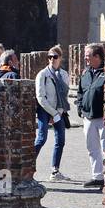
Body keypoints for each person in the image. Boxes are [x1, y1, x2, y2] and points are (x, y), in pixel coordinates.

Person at [34, 46, 71, 183]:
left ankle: (55, 170)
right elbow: (40, 97)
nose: (51, 59)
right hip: (45, 109)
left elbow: (64, 95)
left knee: (60, 140)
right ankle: (28, 166)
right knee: (41, 139)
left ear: (60, 58)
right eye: (49, 56)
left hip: (59, 110)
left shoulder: (64, 75)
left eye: (55, 56)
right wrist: (52, 113)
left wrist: (58, 113)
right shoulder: (42, 75)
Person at [76, 44, 105, 189]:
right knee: (92, 148)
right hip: (88, 117)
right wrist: (80, 107)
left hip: (103, 117)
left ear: (97, 56)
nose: (85, 58)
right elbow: (81, 91)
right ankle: (97, 176)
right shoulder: (86, 73)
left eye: (88, 55)